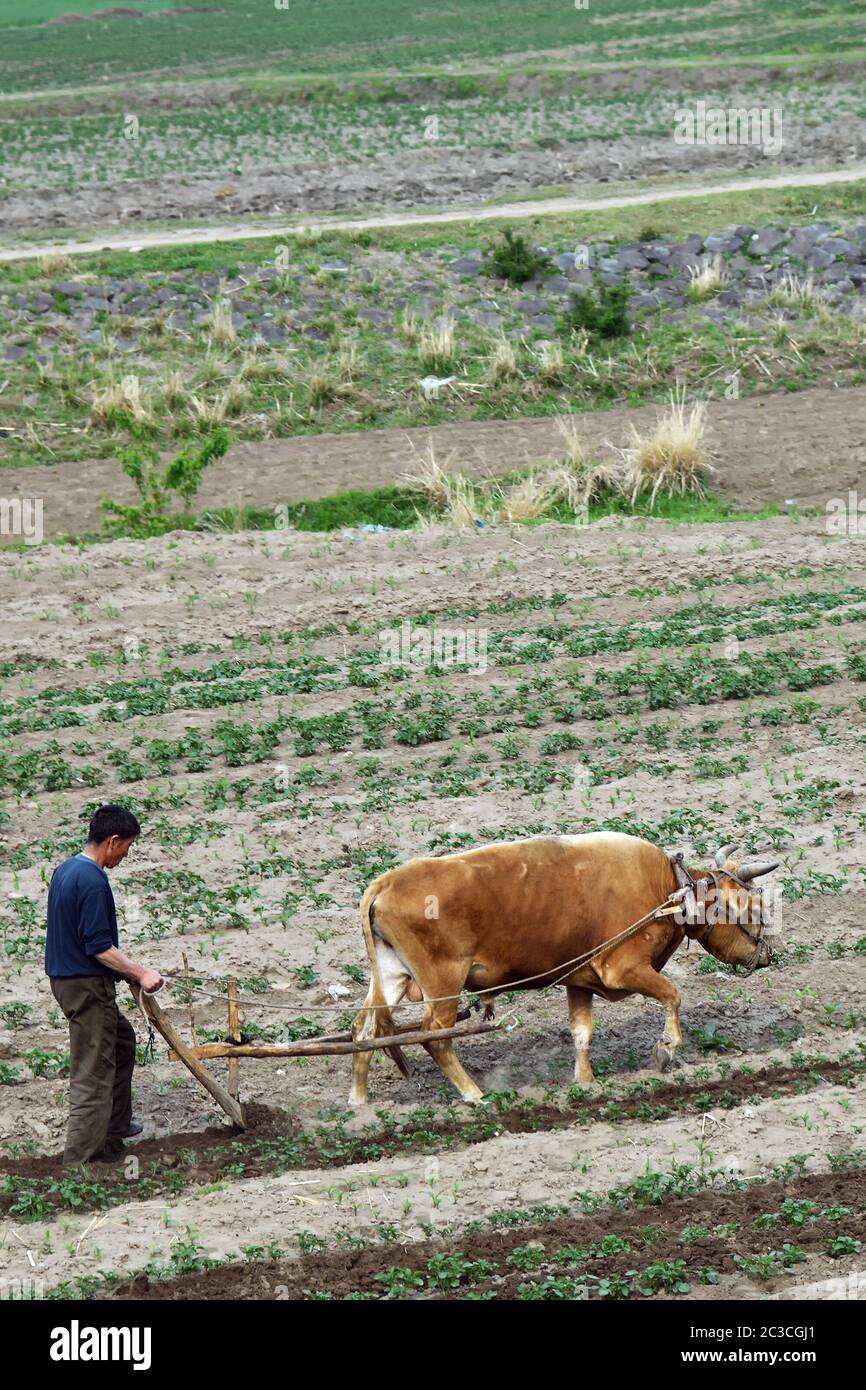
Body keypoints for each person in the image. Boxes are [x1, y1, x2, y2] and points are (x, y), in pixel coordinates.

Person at [45, 804, 163, 1166]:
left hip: (67, 979)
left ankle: (115, 1127)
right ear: (112, 840)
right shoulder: (92, 880)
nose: (126, 855)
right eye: (127, 846)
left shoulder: (66, 869)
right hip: (85, 985)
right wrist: (141, 972)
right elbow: (97, 946)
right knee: (93, 1070)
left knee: (122, 1042)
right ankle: (82, 1161)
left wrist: (128, 972)